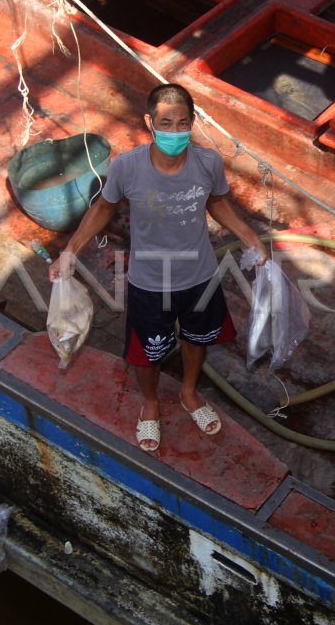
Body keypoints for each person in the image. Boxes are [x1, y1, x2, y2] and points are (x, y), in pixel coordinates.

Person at [51, 83, 269, 452]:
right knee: (148, 352)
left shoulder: (208, 163)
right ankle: (150, 404)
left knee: (196, 340)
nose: (175, 131)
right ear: (149, 122)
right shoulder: (126, 167)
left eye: (182, 123)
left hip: (199, 275)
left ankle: (188, 393)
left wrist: (251, 237)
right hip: (150, 282)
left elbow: (218, 202)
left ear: (192, 122)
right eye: (166, 123)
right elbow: (103, 209)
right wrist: (70, 251)